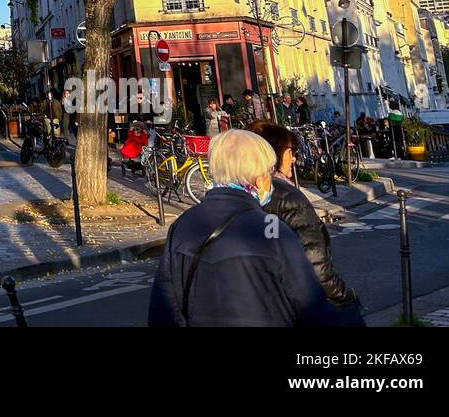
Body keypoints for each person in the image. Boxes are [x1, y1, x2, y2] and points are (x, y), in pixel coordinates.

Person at [148, 129, 338, 327]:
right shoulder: (271, 228)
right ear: (258, 178)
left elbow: (164, 310)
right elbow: (311, 307)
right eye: (269, 172)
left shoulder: (183, 225)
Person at [250, 122, 364, 326]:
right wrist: (344, 297)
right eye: (290, 151)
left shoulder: (250, 193)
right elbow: (315, 264)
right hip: (304, 302)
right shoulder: (287, 197)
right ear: (274, 153)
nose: (294, 158)